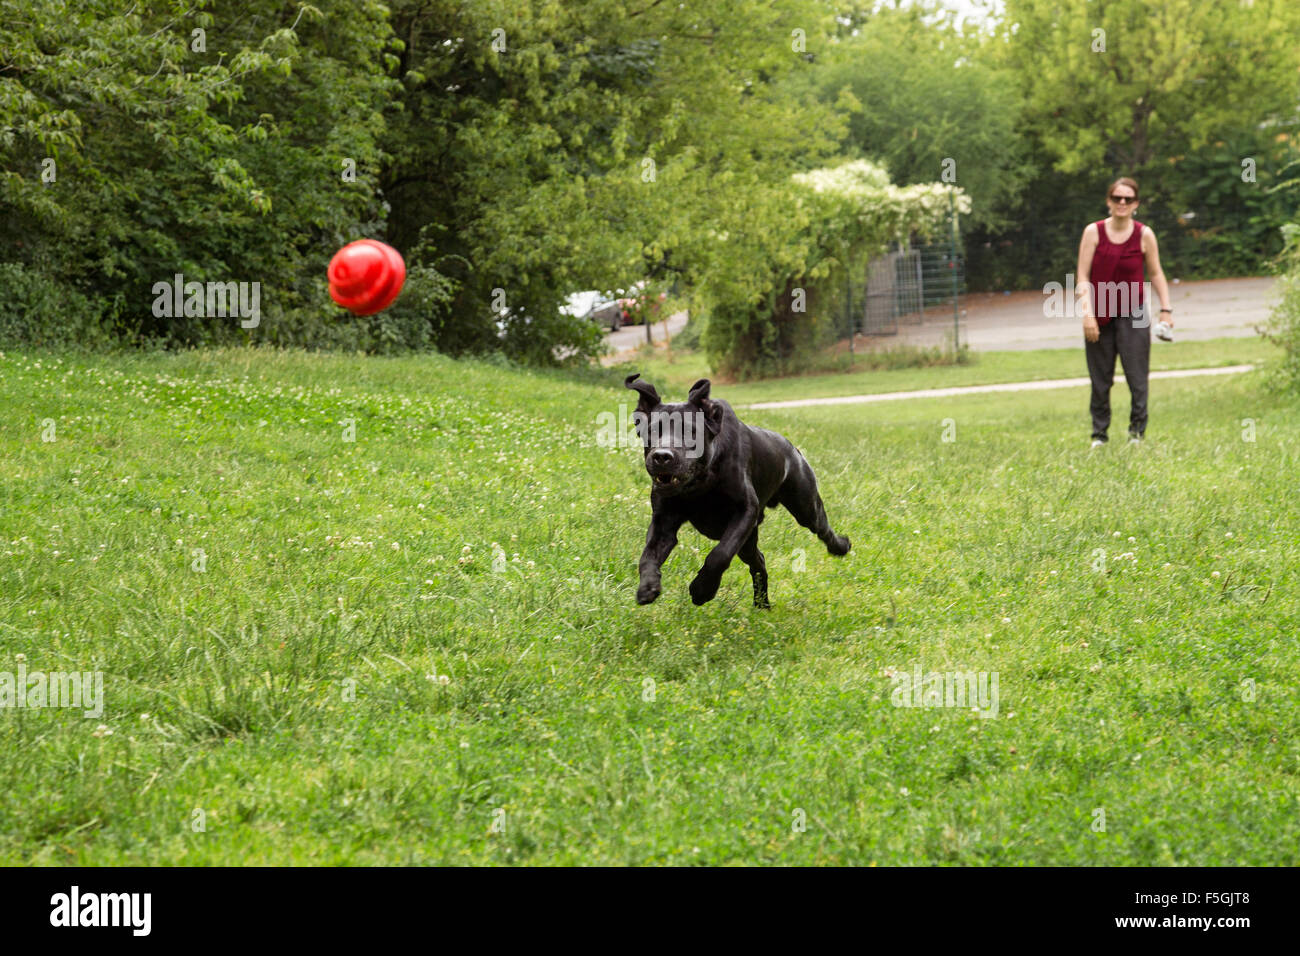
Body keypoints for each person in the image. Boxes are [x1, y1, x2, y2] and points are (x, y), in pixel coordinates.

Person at [1074, 177, 1173, 446]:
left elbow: (1155, 273)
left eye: (1128, 199)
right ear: (1108, 201)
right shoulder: (1093, 232)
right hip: (1100, 312)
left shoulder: (1144, 234)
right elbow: (1082, 275)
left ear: (1135, 204)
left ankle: (1136, 435)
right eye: (1117, 198)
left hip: (1135, 312)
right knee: (1100, 378)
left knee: (1137, 377)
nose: (1122, 203)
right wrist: (1087, 314)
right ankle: (1099, 436)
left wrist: (1166, 310)